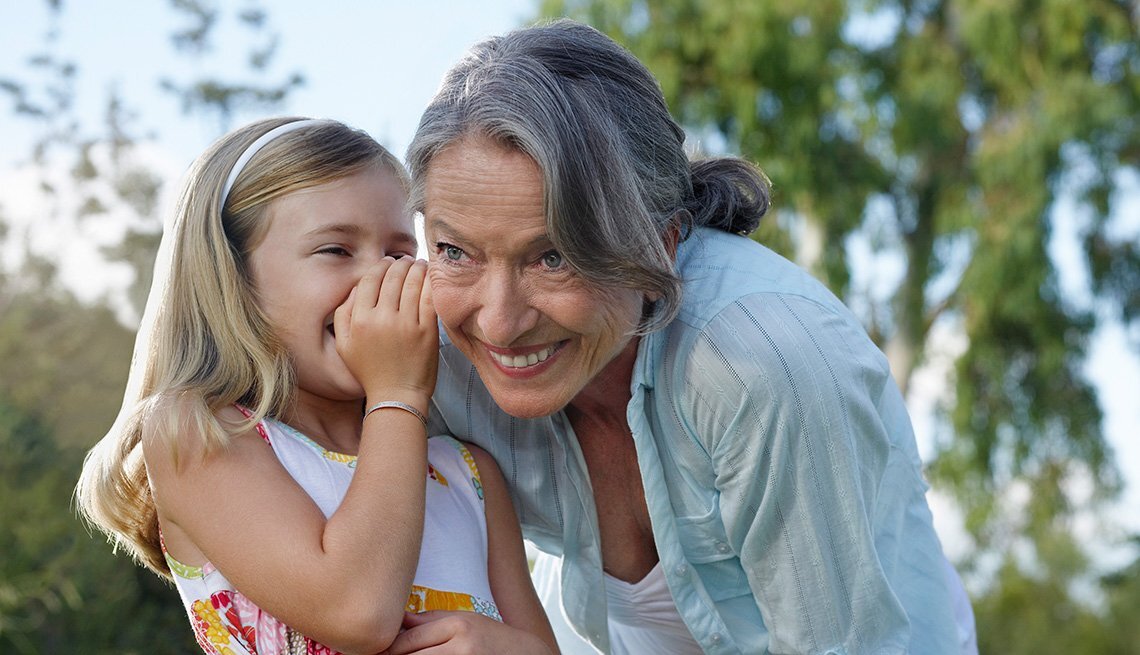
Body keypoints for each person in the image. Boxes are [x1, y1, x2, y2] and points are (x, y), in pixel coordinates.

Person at [406, 19, 975, 654]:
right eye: (456, 251)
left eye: (554, 257)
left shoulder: (761, 368)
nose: (498, 323)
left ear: (663, 242)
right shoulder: (426, 356)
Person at [76, 117, 557, 655]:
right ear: (235, 280)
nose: (381, 279)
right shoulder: (197, 432)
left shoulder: (468, 475)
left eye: (401, 255)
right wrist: (396, 392)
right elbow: (358, 611)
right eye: (336, 250)